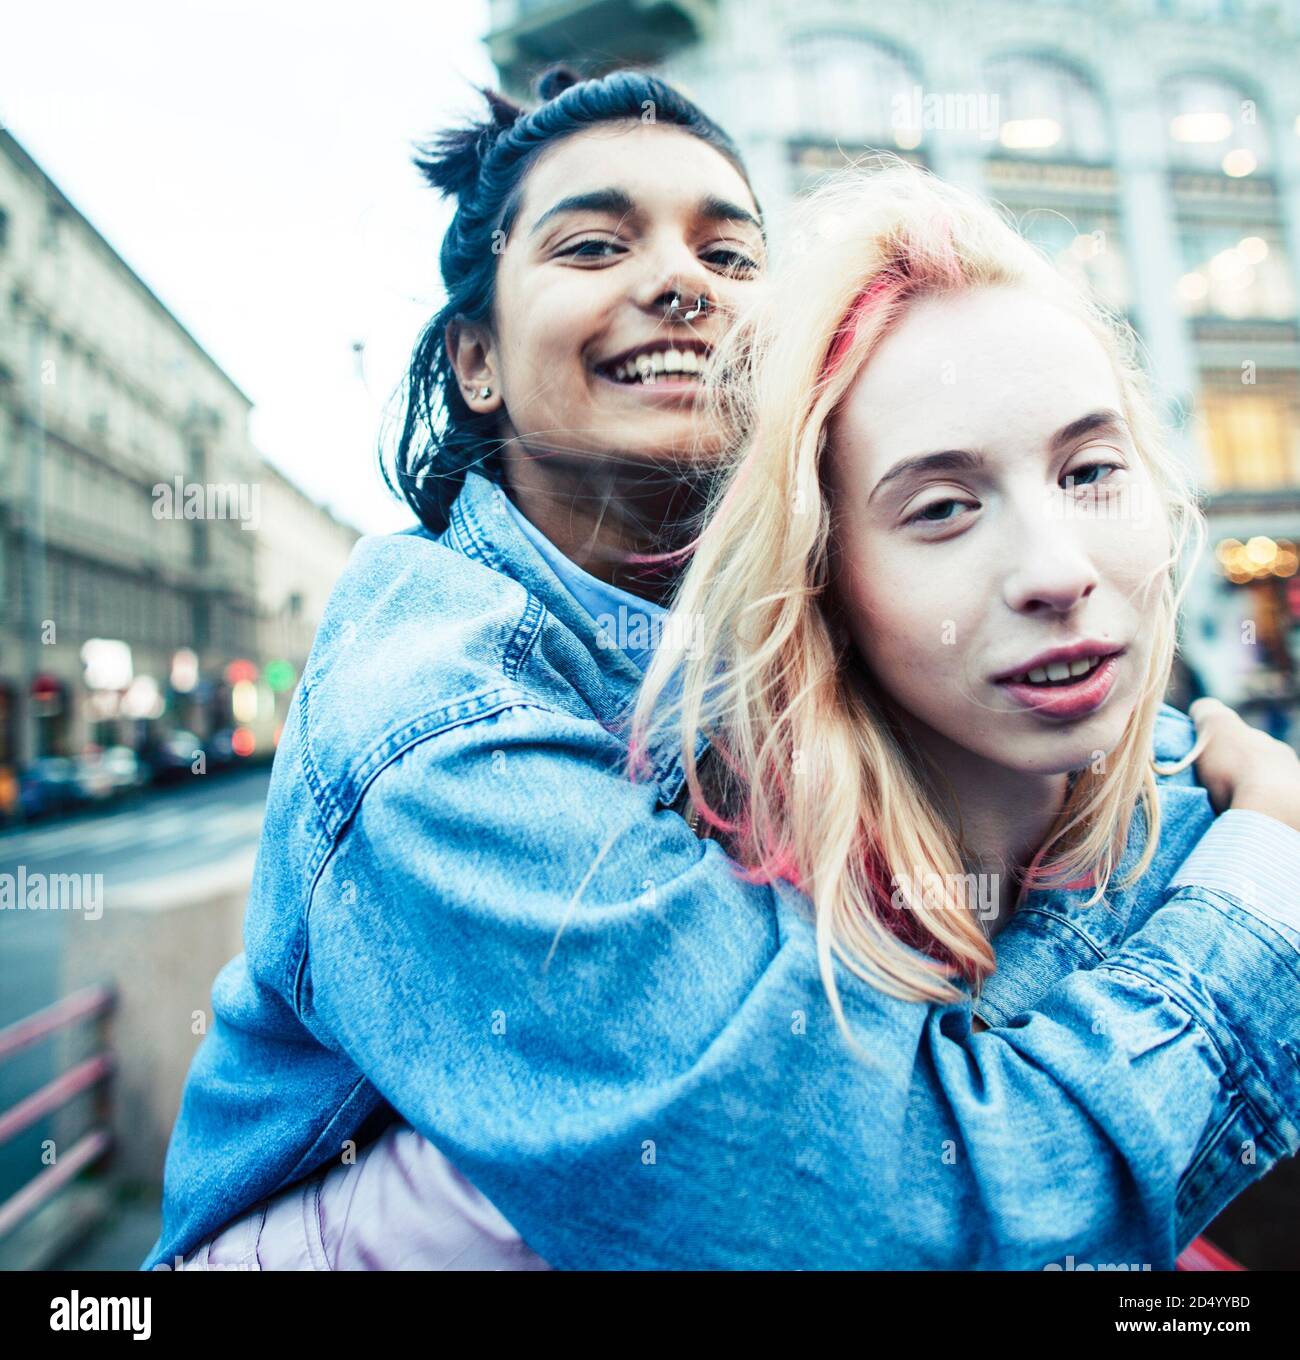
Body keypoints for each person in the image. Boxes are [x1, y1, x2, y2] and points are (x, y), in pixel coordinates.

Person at [146, 84, 1300, 1272]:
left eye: (730, 250)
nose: (679, 280)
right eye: (593, 244)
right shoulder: (439, 723)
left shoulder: (784, 622)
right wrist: (1259, 879)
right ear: (476, 360)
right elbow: (885, 1213)